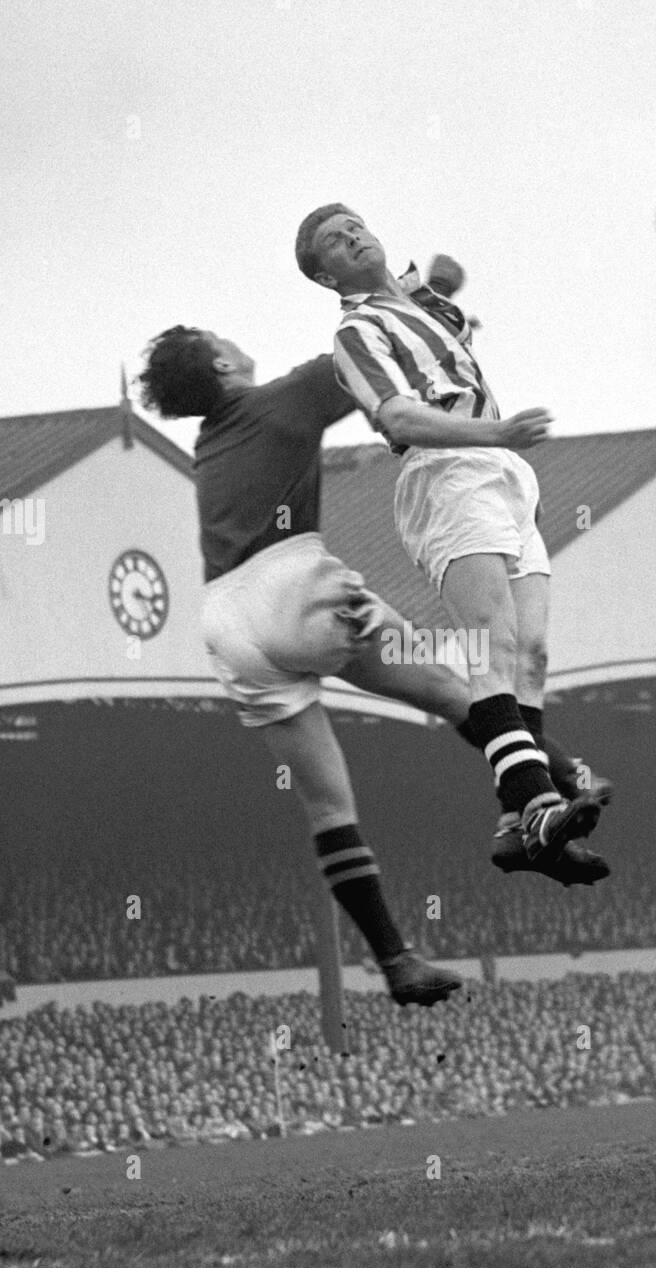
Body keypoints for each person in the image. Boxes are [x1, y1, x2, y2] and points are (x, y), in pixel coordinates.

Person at [139, 293, 605, 1009]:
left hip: (228, 622)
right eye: (219, 335)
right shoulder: (278, 398)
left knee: (328, 808)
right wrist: (438, 318)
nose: (231, 336)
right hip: (297, 584)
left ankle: (395, 960)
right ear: (223, 363)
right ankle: (554, 788)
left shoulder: (209, 445)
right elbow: (375, 367)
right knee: (459, 689)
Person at [296, 206, 611, 877]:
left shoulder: (420, 305)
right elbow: (402, 416)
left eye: (354, 224)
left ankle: (520, 828)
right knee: (490, 642)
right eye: (332, 240)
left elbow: (445, 313)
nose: (352, 234)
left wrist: (435, 285)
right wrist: (496, 435)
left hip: (502, 475)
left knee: (531, 654)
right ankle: (535, 805)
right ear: (323, 274)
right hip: (445, 471)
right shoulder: (354, 332)